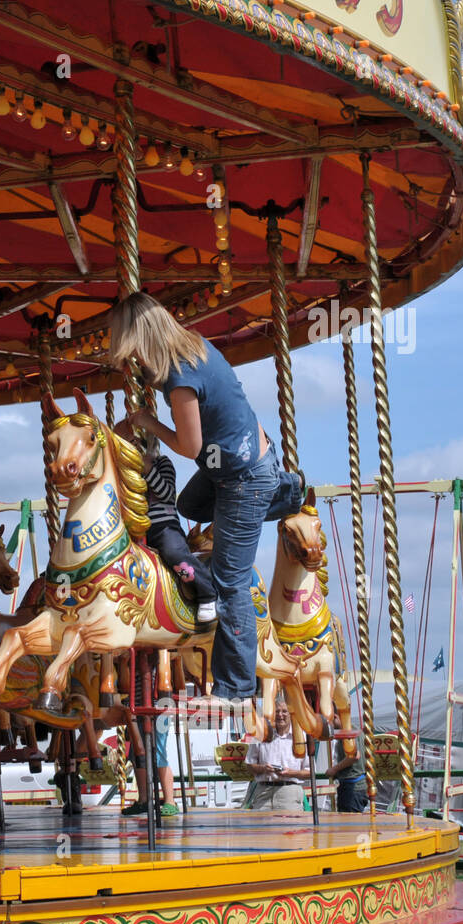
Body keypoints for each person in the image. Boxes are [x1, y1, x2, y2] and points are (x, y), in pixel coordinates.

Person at [109, 291, 303, 709]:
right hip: (237, 463)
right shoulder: (194, 346)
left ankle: (235, 687)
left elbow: (189, 446)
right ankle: (266, 503)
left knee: (231, 581)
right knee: (190, 506)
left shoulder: (179, 379)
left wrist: (146, 422)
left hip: (241, 477)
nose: (134, 365)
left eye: (133, 355)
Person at [140, 430, 217, 623]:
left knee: (175, 554)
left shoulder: (163, 464)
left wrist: (148, 470)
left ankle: (207, 594)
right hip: (135, 528)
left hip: (162, 526)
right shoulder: (125, 470)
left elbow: (166, 494)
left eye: (137, 443)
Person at [244, 699, 309, 811]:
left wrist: (291, 773)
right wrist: (263, 768)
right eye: (277, 711)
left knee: (290, 828)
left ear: (291, 714)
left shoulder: (301, 737)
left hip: (289, 793)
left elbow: (310, 772)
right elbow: (249, 765)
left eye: (284, 711)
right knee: (261, 827)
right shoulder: (260, 734)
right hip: (263, 792)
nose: (280, 715)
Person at [328, 733, 368, 812]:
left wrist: (334, 769)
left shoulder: (347, 733)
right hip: (354, 787)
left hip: (352, 788)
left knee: (349, 821)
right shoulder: (357, 732)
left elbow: (354, 756)